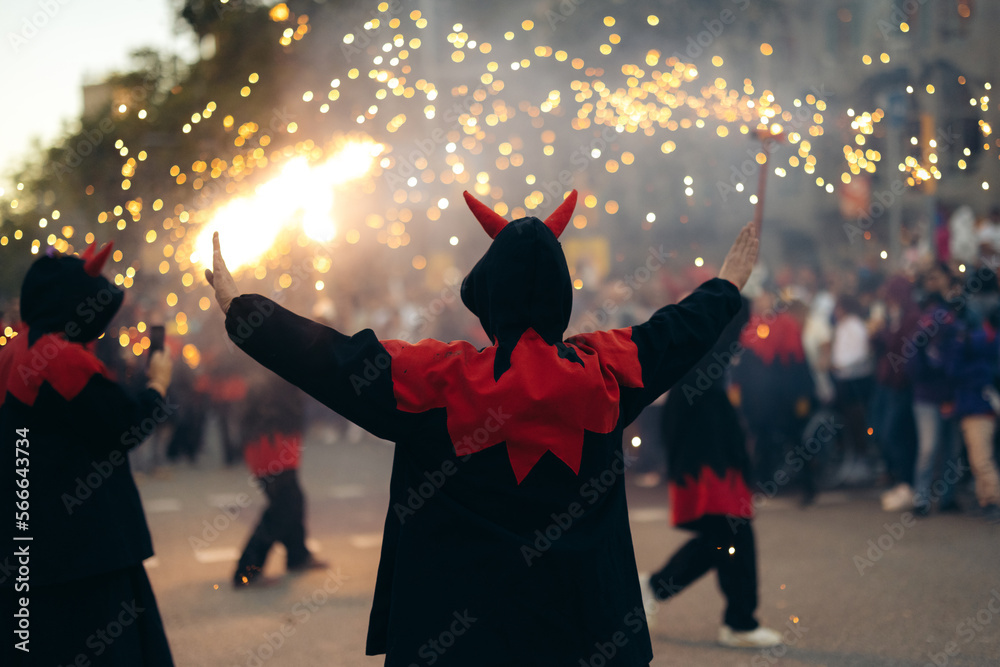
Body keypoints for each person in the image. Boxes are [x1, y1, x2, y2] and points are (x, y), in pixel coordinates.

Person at [206, 191, 759, 666]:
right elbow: (676, 333)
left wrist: (245, 312)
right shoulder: (607, 371)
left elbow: (335, 360)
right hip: (587, 629)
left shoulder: (439, 379)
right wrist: (726, 286)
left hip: (462, 638)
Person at [1, 243, 175, 666]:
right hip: (84, 550)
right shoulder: (60, 359)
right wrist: (157, 386)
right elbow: (124, 425)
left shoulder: (12, 350)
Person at [646, 298, 783, 648]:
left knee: (720, 541)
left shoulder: (702, 351)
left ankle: (654, 588)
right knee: (731, 538)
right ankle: (739, 622)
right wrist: (731, 288)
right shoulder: (707, 352)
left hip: (712, 464)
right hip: (711, 467)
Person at [233, 372, 327, 586]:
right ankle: (246, 571)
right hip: (269, 444)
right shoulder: (272, 366)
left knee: (293, 501)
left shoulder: (272, 364)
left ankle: (298, 556)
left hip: (277, 441)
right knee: (283, 507)